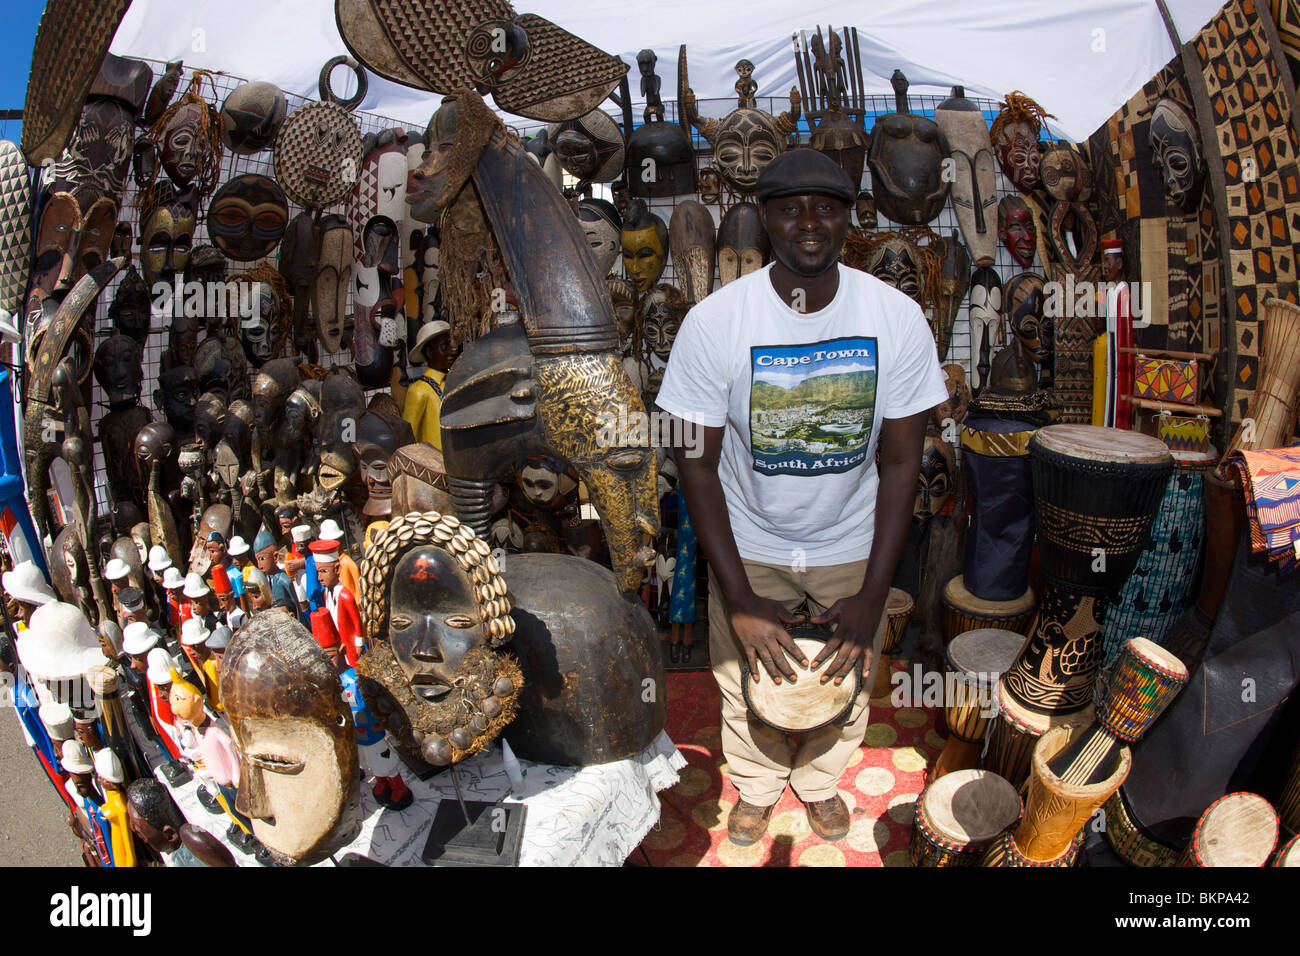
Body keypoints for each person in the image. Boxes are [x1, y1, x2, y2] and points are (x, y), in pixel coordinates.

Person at [655, 149, 946, 846]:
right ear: (763, 219)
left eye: (826, 207)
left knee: (844, 684)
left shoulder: (897, 317)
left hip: (851, 542)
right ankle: (756, 786)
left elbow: (903, 460)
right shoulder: (714, 322)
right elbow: (695, 465)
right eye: (790, 208)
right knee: (747, 683)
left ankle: (818, 783)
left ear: (850, 217)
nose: (808, 223)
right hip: (748, 545)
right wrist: (738, 597)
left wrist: (877, 591)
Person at [402, 319, 455, 448]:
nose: (452, 352)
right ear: (429, 352)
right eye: (444, 347)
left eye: (452, 346)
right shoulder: (418, 391)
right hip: (432, 463)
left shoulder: (452, 383)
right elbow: (407, 438)